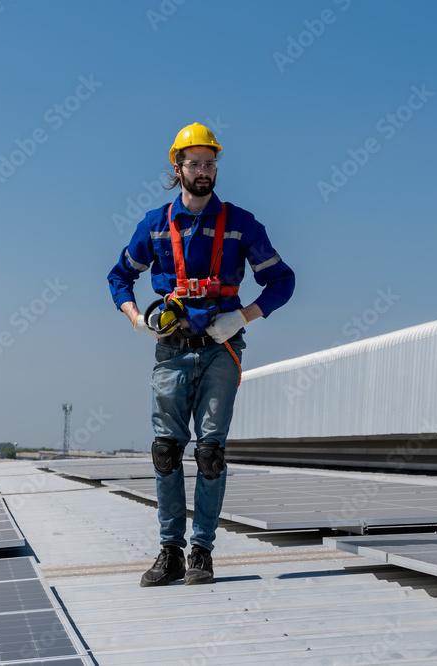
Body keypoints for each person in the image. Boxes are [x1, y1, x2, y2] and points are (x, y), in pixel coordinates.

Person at [107, 122, 295, 586]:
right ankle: (169, 551)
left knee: (210, 451)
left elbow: (283, 280)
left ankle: (202, 552)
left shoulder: (241, 224)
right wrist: (137, 320)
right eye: (195, 164)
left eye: (211, 163)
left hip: (221, 348)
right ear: (178, 168)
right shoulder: (153, 226)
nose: (205, 171)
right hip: (170, 351)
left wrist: (244, 316)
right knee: (166, 451)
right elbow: (118, 277)